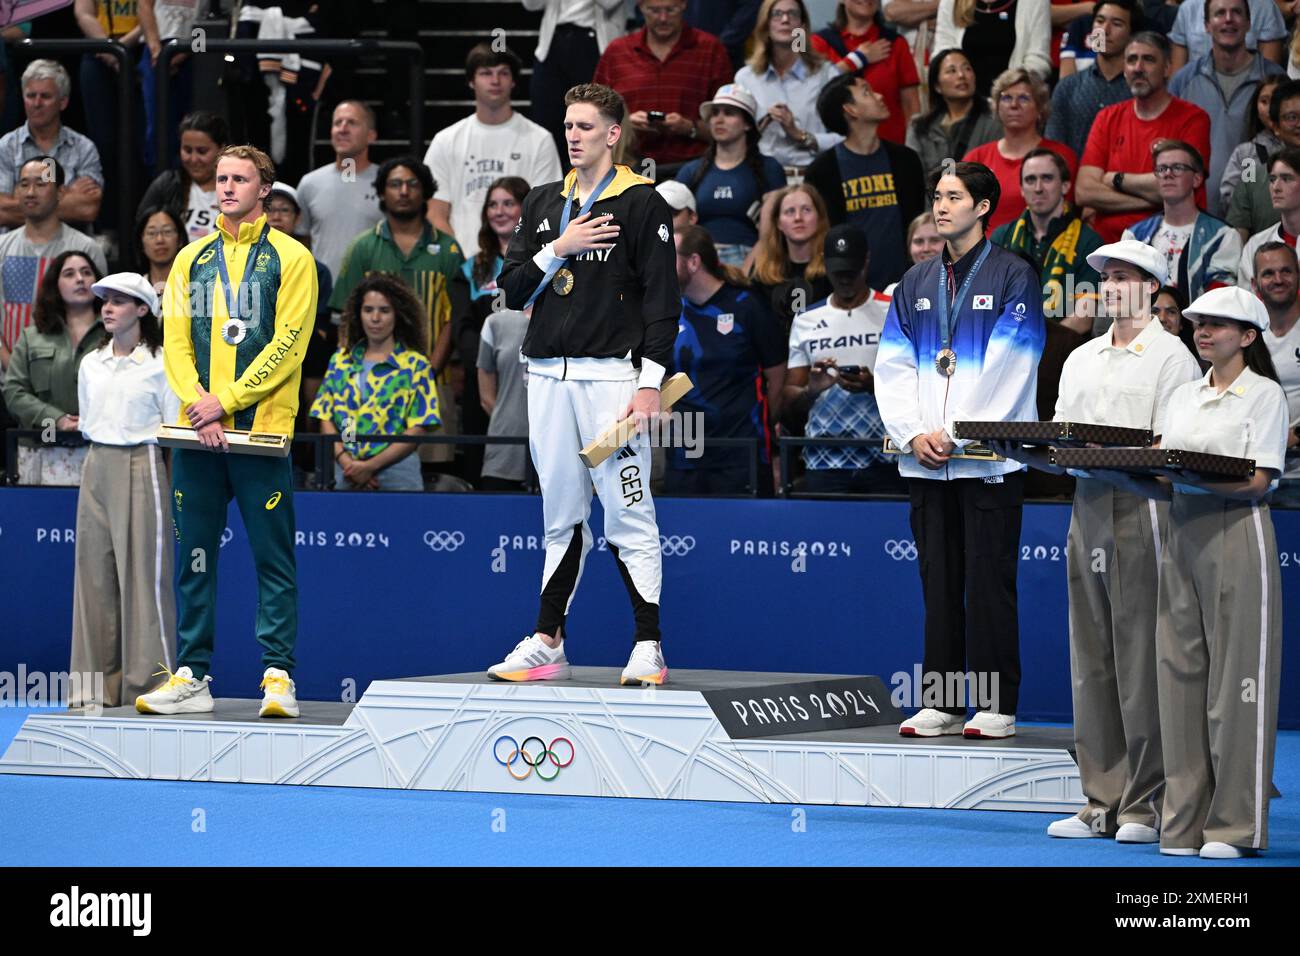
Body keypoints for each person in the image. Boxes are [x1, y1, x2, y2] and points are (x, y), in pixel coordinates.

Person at [1003, 240, 1198, 843]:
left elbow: (1173, 452)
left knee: (1140, 656)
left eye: (1122, 277)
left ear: (1151, 287)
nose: (1110, 286)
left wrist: (1113, 461)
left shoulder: (1174, 359)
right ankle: (1099, 799)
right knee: (1089, 658)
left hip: (1145, 508)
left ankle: (1146, 802)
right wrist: (1024, 452)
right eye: (1106, 277)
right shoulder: (1081, 358)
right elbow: (1065, 444)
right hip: (1085, 506)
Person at [490, 82, 680, 686]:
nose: (573, 136)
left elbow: (662, 304)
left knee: (628, 511)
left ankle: (648, 643)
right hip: (546, 376)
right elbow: (512, 287)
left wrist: (649, 384)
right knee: (560, 512)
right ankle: (548, 639)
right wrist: (560, 248)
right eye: (568, 126)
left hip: (612, 379)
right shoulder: (544, 201)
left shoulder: (642, 203)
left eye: (586, 127)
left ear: (614, 133)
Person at [1096, 285, 1286, 859]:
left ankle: (1234, 827)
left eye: (1218, 325)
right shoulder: (1182, 394)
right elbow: (1158, 470)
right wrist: (1093, 464)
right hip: (1180, 530)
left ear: (1248, 337)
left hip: (1236, 530)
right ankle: (1181, 824)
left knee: (1237, 688)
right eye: (1198, 323)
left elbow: (1260, 479)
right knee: (1176, 679)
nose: (1202, 331)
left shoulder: (1266, 395)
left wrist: (1187, 477)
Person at [135, 144, 318, 719]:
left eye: (240, 178)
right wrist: (198, 405)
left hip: (260, 435)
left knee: (273, 560)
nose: (227, 187)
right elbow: (178, 341)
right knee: (193, 557)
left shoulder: (292, 258)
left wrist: (227, 402)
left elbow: (290, 345)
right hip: (199, 438)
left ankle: (278, 676)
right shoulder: (191, 259)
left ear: (265, 189)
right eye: (221, 179)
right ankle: (192, 675)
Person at [875, 161, 1046, 738]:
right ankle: (944, 703)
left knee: (988, 583)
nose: (940, 206)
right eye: (937, 196)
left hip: (988, 458)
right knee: (939, 583)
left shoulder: (1015, 275)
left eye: (953, 197)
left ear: (983, 207)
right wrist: (911, 433)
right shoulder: (915, 281)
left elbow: (1013, 363)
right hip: (926, 460)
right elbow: (893, 366)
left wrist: (959, 432)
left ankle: (996, 706)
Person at [70, 272, 178, 710]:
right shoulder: (90, 363)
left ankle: (149, 687)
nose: (108, 308)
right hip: (96, 464)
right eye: (105, 301)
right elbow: (86, 418)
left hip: (144, 463)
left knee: (144, 580)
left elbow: (171, 430)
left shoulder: (162, 362)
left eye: (119, 301)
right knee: (92, 579)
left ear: (143, 309)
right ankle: (93, 688)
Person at [329, 156, 465, 465]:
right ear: (381, 192)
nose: (403, 191)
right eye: (394, 184)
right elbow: (346, 318)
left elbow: (452, 321)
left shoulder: (448, 250)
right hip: (366, 389)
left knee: (433, 474)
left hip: (433, 384)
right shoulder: (362, 247)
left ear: (426, 192)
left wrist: (427, 373)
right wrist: (348, 377)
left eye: (412, 184)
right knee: (367, 468)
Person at [783, 223, 900, 494]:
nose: (845, 280)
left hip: (885, 456)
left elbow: (919, 383)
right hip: (825, 460)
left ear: (866, 261)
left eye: (851, 272)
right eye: (838, 273)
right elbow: (787, 399)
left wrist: (873, 385)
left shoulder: (893, 310)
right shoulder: (805, 319)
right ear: (825, 265)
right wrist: (811, 390)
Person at [670, 225, 786, 495]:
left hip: (741, 453)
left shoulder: (747, 305)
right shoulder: (667, 311)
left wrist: (766, 425)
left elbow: (777, 377)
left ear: (694, 262)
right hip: (686, 453)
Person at [424, 43, 562, 253]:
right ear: (471, 81)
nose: (495, 80)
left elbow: (545, 213)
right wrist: (463, 264)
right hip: (463, 266)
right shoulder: (445, 140)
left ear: (514, 81)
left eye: (503, 73)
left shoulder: (540, 140)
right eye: (486, 73)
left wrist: (517, 265)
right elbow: (434, 213)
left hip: (520, 267)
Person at [1076, 32, 1213, 243]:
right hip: (1108, 248)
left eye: (1148, 59)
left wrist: (1115, 179)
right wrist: (1154, 200)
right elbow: (1084, 192)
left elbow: (1181, 186)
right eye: (1131, 60)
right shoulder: (1107, 117)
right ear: (1125, 69)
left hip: (1170, 245)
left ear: (1167, 68)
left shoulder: (1194, 118)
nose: (1138, 68)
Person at [311, 275, 440, 491]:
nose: (375, 318)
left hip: (398, 474)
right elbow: (324, 416)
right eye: (368, 310)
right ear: (358, 314)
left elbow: (419, 427)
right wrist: (347, 462)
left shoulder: (415, 364)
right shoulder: (341, 360)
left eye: (384, 310)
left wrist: (370, 467)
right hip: (346, 471)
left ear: (398, 314)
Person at [806, 73, 925, 292]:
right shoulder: (822, 171)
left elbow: (918, 222)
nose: (879, 96)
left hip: (906, 287)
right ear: (850, 110)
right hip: (849, 290)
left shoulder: (906, 160)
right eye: (867, 92)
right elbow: (823, 238)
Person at [1167, 0, 1286, 218]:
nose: (1229, 19)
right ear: (1206, 25)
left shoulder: (1275, 84)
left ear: (1249, 23)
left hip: (1261, 217)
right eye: (1220, 13)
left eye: (1237, 12)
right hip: (1195, 213)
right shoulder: (1183, 81)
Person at [450, 176, 532, 485]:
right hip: (482, 385)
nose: (499, 211)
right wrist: (487, 367)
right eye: (493, 205)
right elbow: (463, 328)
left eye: (509, 203)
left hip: (531, 385)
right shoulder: (472, 270)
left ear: (526, 210)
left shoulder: (546, 263)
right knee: (486, 478)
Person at [1, 250, 104, 486]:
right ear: (55, 285)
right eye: (69, 274)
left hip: (101, 449)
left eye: (87, 273)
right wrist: (57, 420)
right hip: (40, 449)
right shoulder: (32, 336)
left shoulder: (114, 334)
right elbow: (14, 391)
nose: (80, 279)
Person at [592, 0, 734, 171]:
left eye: (671, 10)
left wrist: (690, 128)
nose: (663, 18)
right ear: (640, 7)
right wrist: (626, 126)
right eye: (654, 10)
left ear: (683, 5)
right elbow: (593, 117)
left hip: (693, 167)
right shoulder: (617, 52)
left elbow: (732, 124)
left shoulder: (710, 49)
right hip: (628, 167)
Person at [0, 157, 107, 372]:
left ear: (60, 193)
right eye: (23, 184)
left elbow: (101, 317)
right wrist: (12, 368)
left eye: (40, 184)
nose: (30, 192)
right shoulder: (2, 247)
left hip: (68, 378)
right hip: (6, 378)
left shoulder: (86, 249)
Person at [991, 148, 1102, 335]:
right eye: (1030, 180)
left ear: (1066, 186)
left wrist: (1039, 347)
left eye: (1047, 178)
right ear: (1021, 189)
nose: (1038, 188)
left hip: (1063, 353)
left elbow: (1083, 319)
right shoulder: (1001, 238)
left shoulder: (1089, 243)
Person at [675, 83, 786, 266]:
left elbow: (772, 235)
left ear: (748, 124)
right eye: (715, 113)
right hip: (698, 262)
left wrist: (747, 270)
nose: (719, 119)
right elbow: (674, 226)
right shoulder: (691, 171)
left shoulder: (769, 168)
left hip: (751, 259)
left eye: (729, 113)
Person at [1121, 140, 1241, 306]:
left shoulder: (1223, 236)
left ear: (1197, 179)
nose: (1168, 174)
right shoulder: (1133, 236)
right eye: (1161, 169)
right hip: (1143, 328)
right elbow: (1125, 295)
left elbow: (1221, 301)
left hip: (1196, 328)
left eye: (1177, 168)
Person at [963, 68, 1078, 233]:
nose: (1014, 105)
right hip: (984, 254)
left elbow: (1070, 215)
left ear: (1040, 108)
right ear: (996, 106)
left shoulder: (1062, 156)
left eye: (1024, 98)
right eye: (1006, 97)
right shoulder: (976, 158)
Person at [736, 0, 844, 172]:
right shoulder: (746, 78)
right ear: (765, 25)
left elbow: (847, 138)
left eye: (793, 14)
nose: (785, 19)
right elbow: (736, 140)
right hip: (763, 176)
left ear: (802, 26)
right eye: (777, 14)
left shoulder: (826, 74)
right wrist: (756, 129)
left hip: (813, 175)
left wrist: (799, 135)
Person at [522, 0, 628, 164]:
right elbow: (531, 5)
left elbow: (609, 3)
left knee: (591, 121)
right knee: (546, 122)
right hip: (552, 43)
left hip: (594, 45)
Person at [0, 60, 103, 229]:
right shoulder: (5, 147)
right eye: (30, 96)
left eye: (45, 96)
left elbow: (87, 209)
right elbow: (2, 212)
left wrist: (22, 199)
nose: (37, 103)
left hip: (71, 250)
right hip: (17, 249)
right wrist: (67, 196)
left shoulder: (84, 148)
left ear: (63, 102)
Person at [810, 0, 921, 145]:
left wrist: (913, 148)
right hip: (836, 149)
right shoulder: (820, 42)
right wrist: (858, 60)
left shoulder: (895, 43)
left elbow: (911, 106)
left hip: (891, 148)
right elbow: (812, 94)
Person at [295, 101, 383, 280]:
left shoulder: (389, 183)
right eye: (338, 123)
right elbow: (301, 240)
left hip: (373, 298)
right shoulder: (309, 183)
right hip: (322, 297)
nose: (343, 128)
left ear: (371, 135)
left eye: (352, 123)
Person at [1045, 1, 1140, 163]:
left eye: (1117, 24)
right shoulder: (1067, 87)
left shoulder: (1139, 91)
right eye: (1100, 21)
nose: (1104, 30)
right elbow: (1054, 149)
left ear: (1131, 35)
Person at [749, 183, 834, 330]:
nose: (798, 218)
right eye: (789, 211)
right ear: (778, 223)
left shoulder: (834, 267)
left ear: (819, 218)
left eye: (806, 210)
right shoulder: (762, 271)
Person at [136, 111, 229, 244]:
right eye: (187, 150)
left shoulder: (237, 189)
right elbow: (141, 229)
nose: (193, 159)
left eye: (202, 151)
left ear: (221, 149)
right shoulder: (167, 184)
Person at [1253, 240, 1300, 504]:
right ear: (1254, 283)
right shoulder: (1246, 339)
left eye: (1286, 271)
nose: (1278, 279)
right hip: (1258, 476)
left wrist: (1295, 436)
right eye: (1268, 273)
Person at [905, 49, 1001, 176]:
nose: (961, 75)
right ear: (937, 86)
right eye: (952, 71)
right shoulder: (919, 127)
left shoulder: (993, 121)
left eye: (967, 68)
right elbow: (913, 177)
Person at [1227, 79, 1300, 240]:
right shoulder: (1251, 176)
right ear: (1276, 127)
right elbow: (1237, 241)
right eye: (1291, 117)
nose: (1299, 124)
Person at [933, 0, 1052, 96]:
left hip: (1012, 103)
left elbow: (1038, 60)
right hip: (965, 104)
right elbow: (942, 56)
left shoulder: (1035, 2)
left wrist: (1008, 92)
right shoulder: (951, 2)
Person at [1220, 74, 1283, 213]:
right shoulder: (1248, 154)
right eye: (1264, 101)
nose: (1269, 109)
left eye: (1276, 101)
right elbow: (1231, 198)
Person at [1239, 148, 1300, 288]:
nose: (1276, 187)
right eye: (1272, 179)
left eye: (1286, 178)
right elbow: (1248, 303)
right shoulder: (1256, 245)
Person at [1169, 0, 1286, 71]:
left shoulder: (1265, 7)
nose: (1228, 19)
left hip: (1250, 99)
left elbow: (1270, 80)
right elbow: (1177, 76)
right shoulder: (1188, 9)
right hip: (1196, 97)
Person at [135, 206, 185, 298]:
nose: (160, 240)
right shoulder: (135, 290)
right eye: (151, 233)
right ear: (141, 242)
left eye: (167, 231)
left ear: (180, 239)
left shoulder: (195, 287)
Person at [1153, 283, 1201, 359]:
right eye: (1154, 312)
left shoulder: (1190, 362)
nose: (1162, 318)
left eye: (1171, 312)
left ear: (1181, 322)